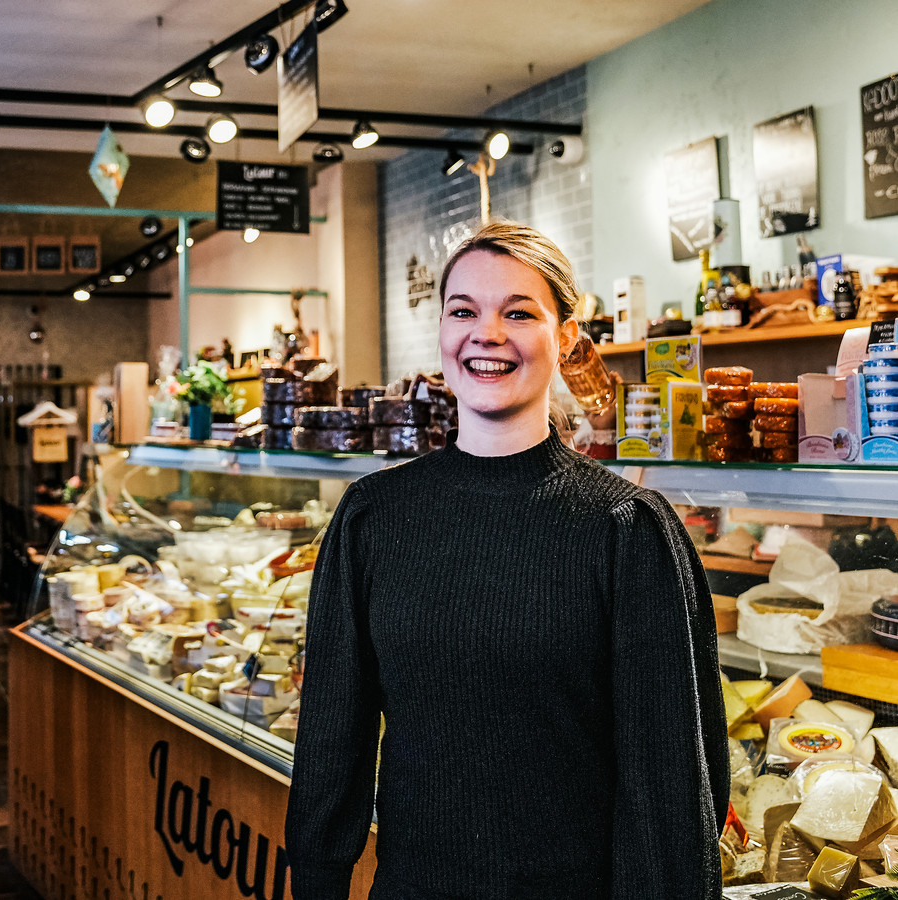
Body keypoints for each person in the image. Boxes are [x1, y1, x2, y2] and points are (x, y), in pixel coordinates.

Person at [285, 221, 728, 900]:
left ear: (568, 337)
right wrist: (318, 881)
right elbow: (330, 735)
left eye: (519, 313)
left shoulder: (627, 529)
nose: (486, 334)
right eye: (464, 311)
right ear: (441, 330)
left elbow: (669, 780)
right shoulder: (373, 517)